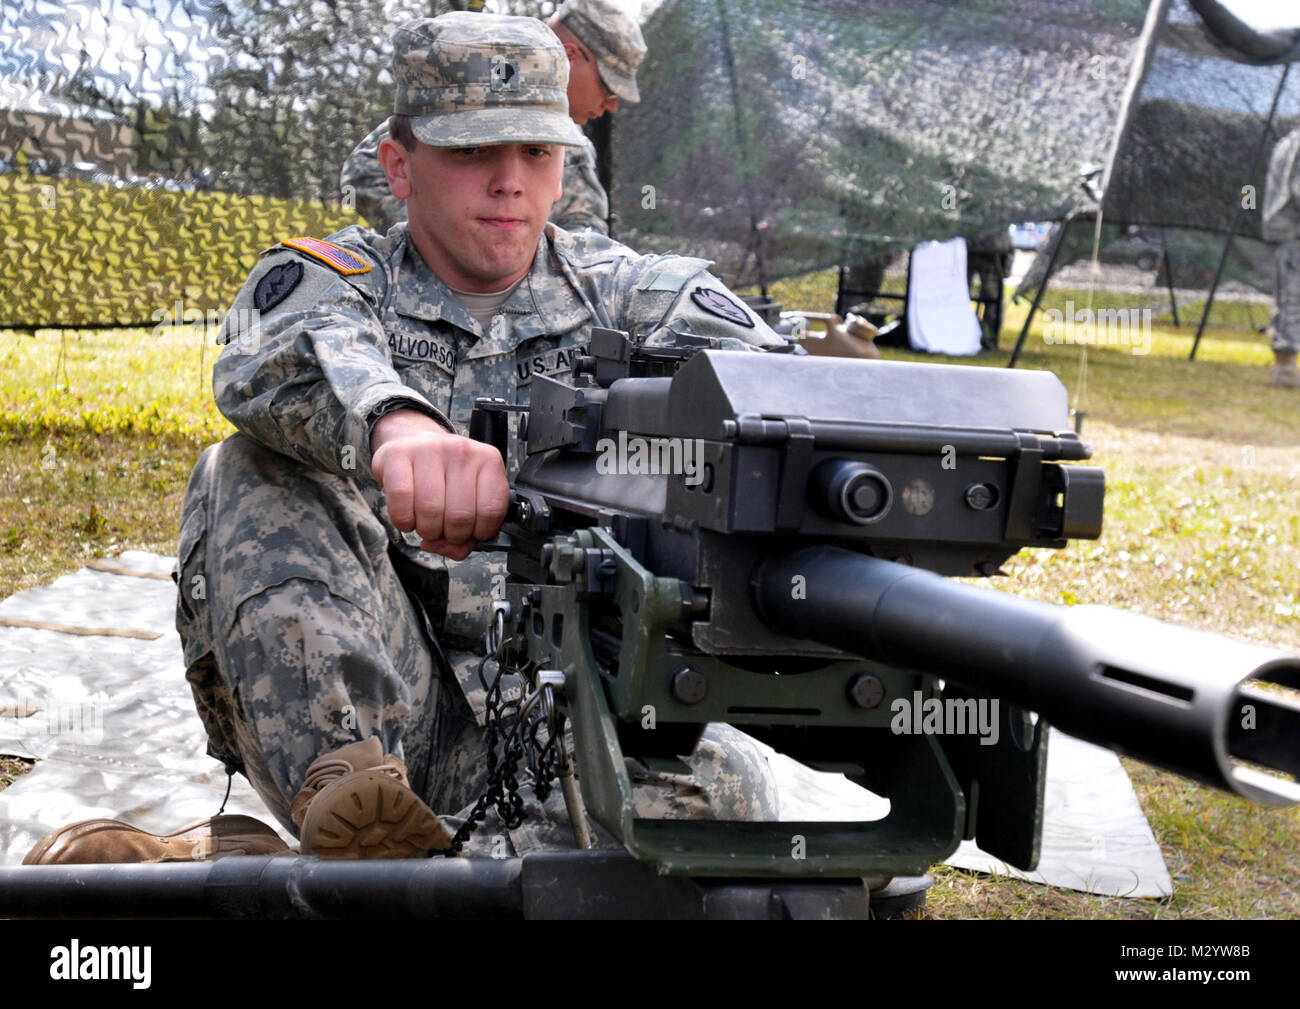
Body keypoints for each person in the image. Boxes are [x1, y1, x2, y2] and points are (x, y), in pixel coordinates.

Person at [26, 11, 783, 866]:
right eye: (472, 152)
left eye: (536, 154)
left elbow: (770, 379)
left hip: (581, 728)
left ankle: (291, 881)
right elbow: (274, 342)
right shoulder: (349, 280)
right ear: (399, 165)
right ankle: (359, 815)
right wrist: (395, 423)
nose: (510, 183)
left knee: (732, 782)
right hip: (375, 732)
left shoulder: (629, 295)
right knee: (248, 467)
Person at [340, 0, 644, 237]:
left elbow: (584, 234)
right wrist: (443, 247)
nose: (612, 105)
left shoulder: (577, 144)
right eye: (608, 86)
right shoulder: (474, 100)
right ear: (570, 55)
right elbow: (364, 171)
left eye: (536, 152)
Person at [1264, 124, 1300, 388]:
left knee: (1288, 298)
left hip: (1285, 231)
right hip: (1292, 232)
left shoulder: (1288, 141)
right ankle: (1284, 369)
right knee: (1292, 299)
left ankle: (1285, 366)